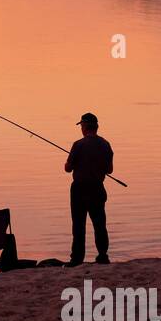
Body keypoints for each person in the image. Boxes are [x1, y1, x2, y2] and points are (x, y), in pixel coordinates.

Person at [64, 112, 113, 266]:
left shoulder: (78, 145)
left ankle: (77, 258)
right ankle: (103, 255)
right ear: (96, 127)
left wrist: (69, 164)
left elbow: (68, 168)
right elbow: (109, 170)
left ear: (84, 127)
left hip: (79, 189)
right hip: (98, 188)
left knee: (78, 224)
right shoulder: (105, 144)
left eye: (82, 126)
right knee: (99, 224)